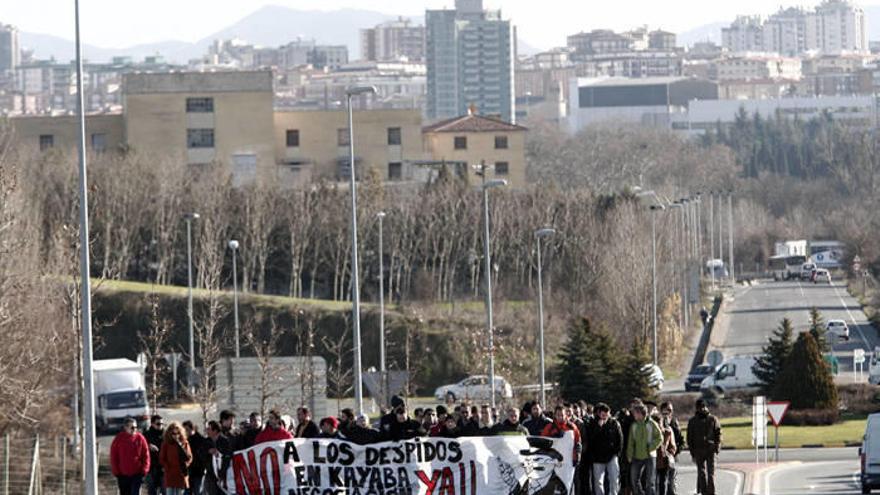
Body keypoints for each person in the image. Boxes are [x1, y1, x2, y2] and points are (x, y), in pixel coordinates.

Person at [687, 399, 722, 495]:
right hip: (699, 450)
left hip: (710, 449)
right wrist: (692, 453)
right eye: (699, 407)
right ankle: (704, 492)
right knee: (702, 473)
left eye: (702, 407)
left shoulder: (713, 419)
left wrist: (717, 447)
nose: (701, 409)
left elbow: (718, 433)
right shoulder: (693, 421)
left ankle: (711, 492)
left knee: (710, 474)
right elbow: (689, 438)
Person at [588, 403, 623, 495]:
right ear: (599, 414)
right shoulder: (593, 423)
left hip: (612, 455)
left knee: (614, 478)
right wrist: (598, 427)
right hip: (597, 456)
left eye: (607, 414)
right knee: (598, 481)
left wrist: (617, 453)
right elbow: (591, 439)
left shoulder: (614, 423)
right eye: (603, 415)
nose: (605, 417)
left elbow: (620, 439)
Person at [626, 404, 662, 495]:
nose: (633, 415)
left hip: (650, 456)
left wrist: (650, 448)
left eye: (635, 413)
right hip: (636, 457)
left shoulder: (652, 424)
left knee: (650, 482)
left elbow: (660, 438)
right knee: (634, 480)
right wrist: (629, 455)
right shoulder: (634, 425)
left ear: (640, 413)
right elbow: (631, 442)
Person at [110, 417, 151, 495]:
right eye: (132, 427)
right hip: (123, 475)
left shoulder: (140, 438)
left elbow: (146, 455)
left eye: (136, 427)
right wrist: (116, 472)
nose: (134, 429)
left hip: (137, 474)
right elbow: (114, 457)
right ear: (126, 427)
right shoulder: (118, 439)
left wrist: (144, 470)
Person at [159, 422, 193, 495]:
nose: (176, 435)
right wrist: (167, 467)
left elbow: (189, 457)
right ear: (169, 433)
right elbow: (162, 458)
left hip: (181, 474)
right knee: (170, 493)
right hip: (170, 474)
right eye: (173, 433)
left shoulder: (184, 443)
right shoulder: (166, 444)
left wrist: (184, 466)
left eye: (178, 433)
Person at [659, 402, 684, 495]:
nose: (669, 413)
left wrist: (675, 452)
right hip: (660, 457)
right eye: (667, 410)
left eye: (670, 410)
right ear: (661, 411)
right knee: (662, 481)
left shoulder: (674, 422)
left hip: (672, 456)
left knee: (672, 480)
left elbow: (681, 440)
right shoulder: (658, 422)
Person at [202, 421, 232, 495]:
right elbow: (200, 453)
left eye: (209, 429)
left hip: (224, 476)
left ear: (215, 431)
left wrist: (221, 473)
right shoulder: (206, 441)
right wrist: (208, 451)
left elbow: (227, 458)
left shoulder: (225, 441)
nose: (207, 431)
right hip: (210, 475)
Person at [182, 421, 206, 495]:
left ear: (192, 429)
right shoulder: (184, 440)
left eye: (187, 430)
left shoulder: (201, 440)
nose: (185, 432)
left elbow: (202, 457)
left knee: (197, 491)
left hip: (198, 472)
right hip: (188, 472)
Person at [655, 416, 677, 495]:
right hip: (652, 460)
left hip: (664, 461)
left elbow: (673, 447)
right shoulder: (649, 433)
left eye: (659, 423)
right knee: (653, 483)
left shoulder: (667, 432)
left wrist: (668, 453)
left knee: (663, 482)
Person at [144, 415, 165, 495]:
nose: (161, 426)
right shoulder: (146, 435)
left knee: (165, 491)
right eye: (158, 424)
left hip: (163, 468)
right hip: (151, 468)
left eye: (162, 424)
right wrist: (148, 446)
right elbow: (140, 448)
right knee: (152, 491)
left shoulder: (166, 435)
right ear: (152, 424)